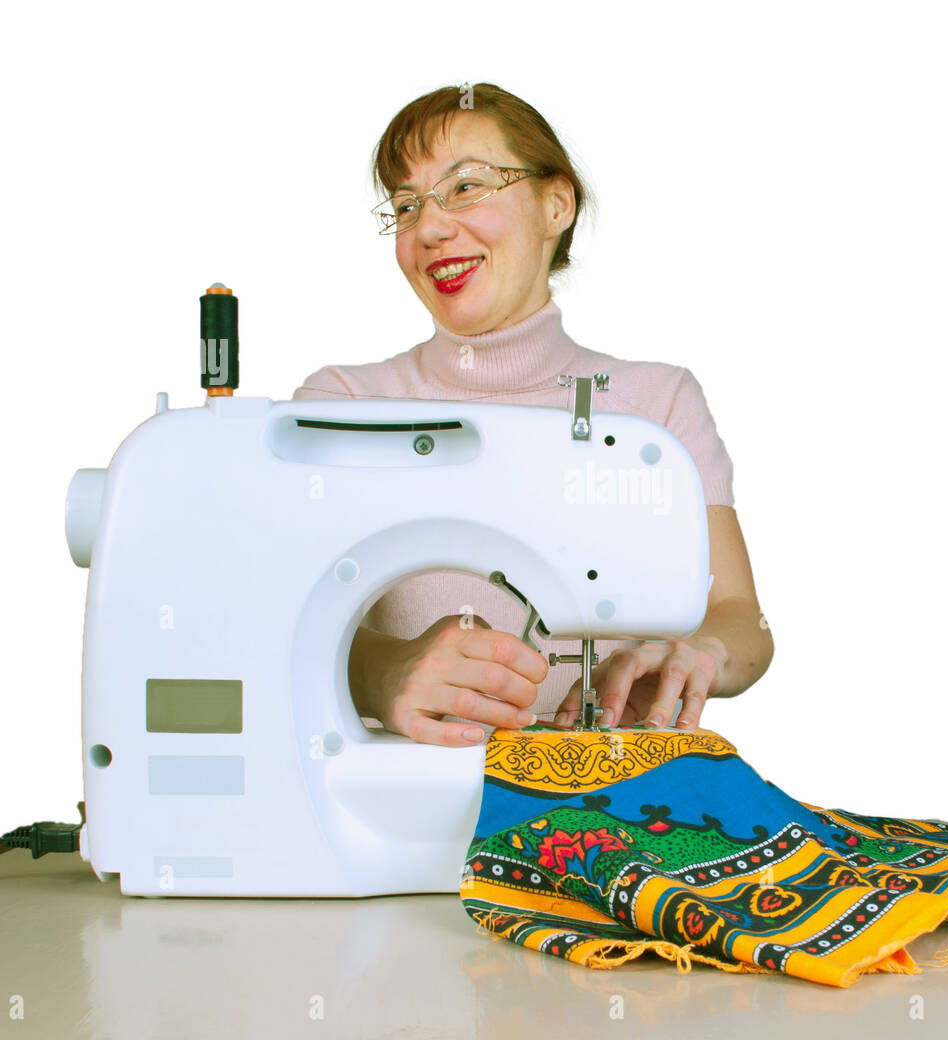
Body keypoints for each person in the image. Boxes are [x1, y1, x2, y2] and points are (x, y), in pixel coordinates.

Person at [294, 83, 773, 745]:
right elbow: (284, 618)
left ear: (556, 204)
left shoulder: (657, 403)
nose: (428, 227)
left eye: (465, 187)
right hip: (399, 794)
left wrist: (699, 655)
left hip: (618, 799)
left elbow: (738, 618)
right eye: (406, 205)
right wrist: (383, 669)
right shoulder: (340, 406)